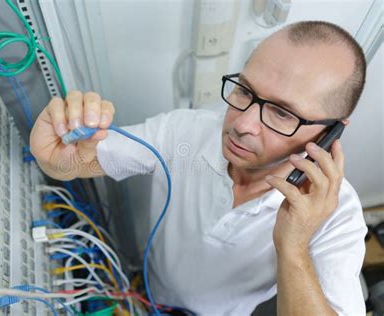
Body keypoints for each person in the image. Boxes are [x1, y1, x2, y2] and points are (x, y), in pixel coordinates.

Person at [30, 21, 367, 315]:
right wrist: (58, 158)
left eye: (282, 113)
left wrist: (294, 246)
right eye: (245, 91)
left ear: (330, 132)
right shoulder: (185, 131)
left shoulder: (338, 216)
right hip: (149, 293)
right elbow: (78, 162)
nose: (243, 124)